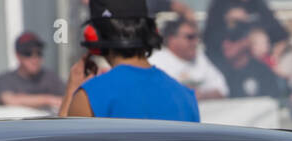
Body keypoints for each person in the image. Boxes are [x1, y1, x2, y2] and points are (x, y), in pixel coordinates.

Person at [61, 0, 200, 121]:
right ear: (152, 32)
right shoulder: (187, 98)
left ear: (93, 36)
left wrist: (71, 93)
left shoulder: (88, 97)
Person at [151, 13, 230, 98]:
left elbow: (223, 90)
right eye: (190, 37)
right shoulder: (154, 62)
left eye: (198, 37)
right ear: (172, 39)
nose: (196, 42)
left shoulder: (200, 58)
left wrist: (202, 96)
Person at [203, 0, 289, 67]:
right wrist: (229, 19)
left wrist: (274, 58)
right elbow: (209, 39)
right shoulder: (219, 5)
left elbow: (281, 36)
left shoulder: (259, 5)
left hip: (262, 65)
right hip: (229, 64)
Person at [0, 32, 67, 112]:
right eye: (28, 54)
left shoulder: (50, 78)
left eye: (39, 53)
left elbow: (68, 100)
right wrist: (48, 100)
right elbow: (9, 100)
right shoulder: (5, 79)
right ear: (18, 56)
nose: (34, 59)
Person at [217, 19, 289, 97]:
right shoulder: (216, 70)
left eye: (233, 39)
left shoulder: (263, 72)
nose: (225, 44)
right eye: (222, 39)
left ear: (247, 41)